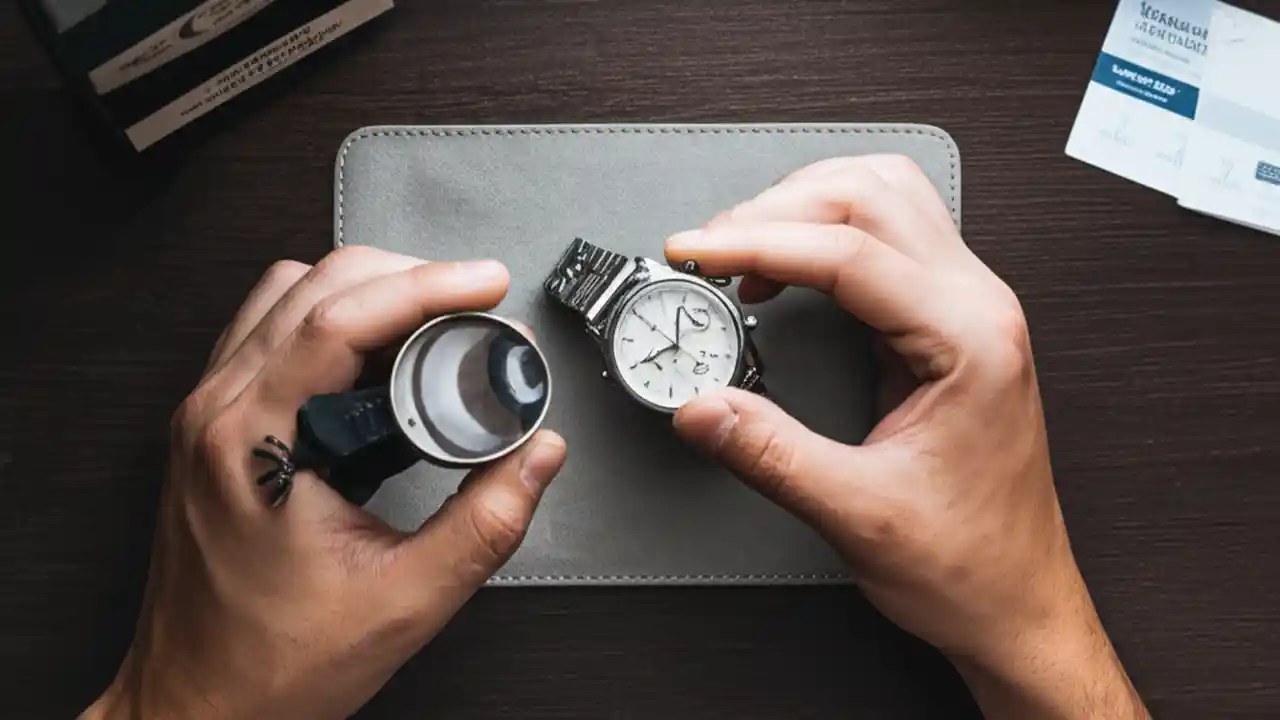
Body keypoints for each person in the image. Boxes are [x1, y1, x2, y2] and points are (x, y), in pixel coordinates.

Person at [80, 156, 1150, 720]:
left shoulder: (698, 351)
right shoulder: (634, 313)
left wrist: (163, 708)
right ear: (612, 357)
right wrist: (1044, 630)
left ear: (729, 322)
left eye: (701, 337)